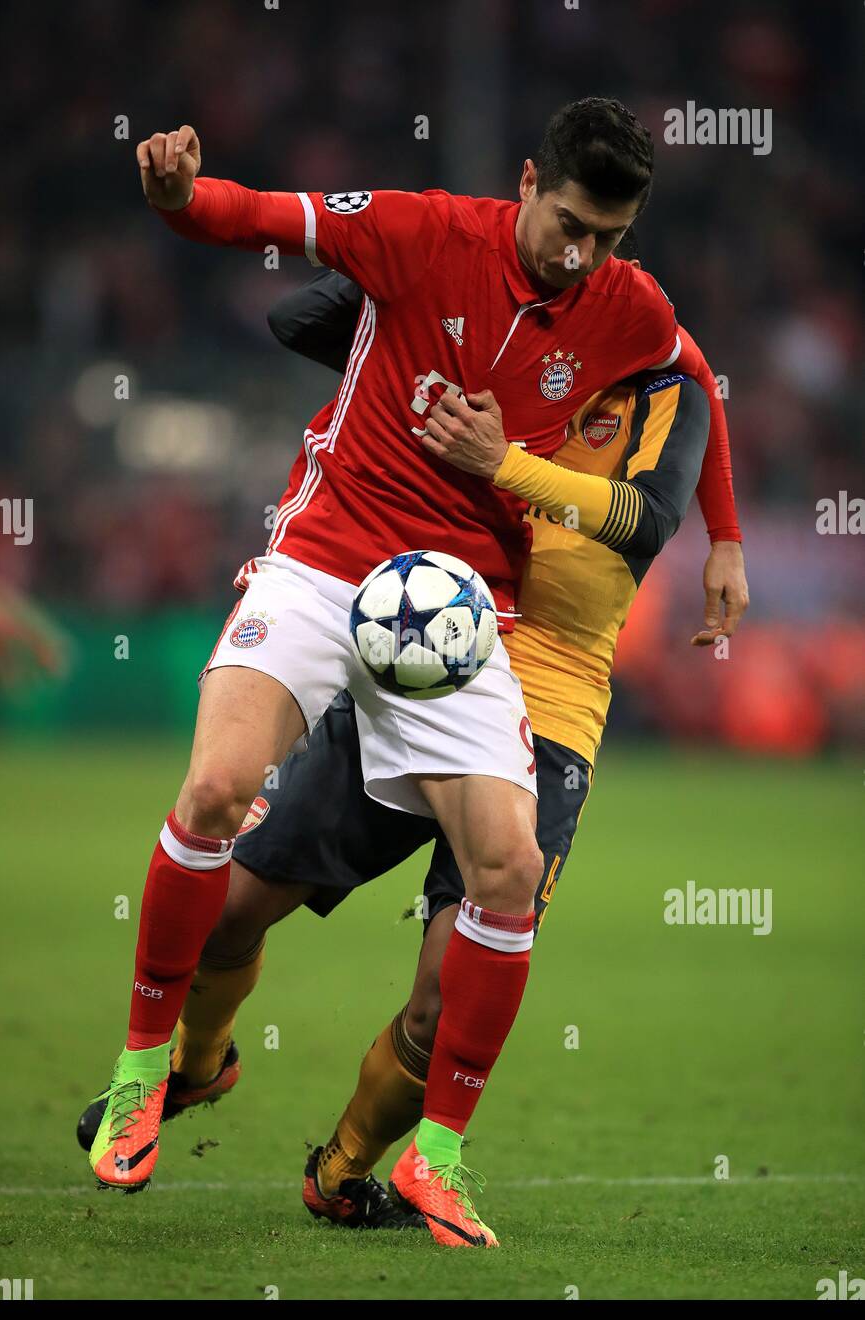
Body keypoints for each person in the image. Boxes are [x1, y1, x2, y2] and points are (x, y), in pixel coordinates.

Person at [82, 215, 748, 1240]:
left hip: (551, 706)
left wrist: (515, 465)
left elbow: (648, 521)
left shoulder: (663, 389)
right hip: (418, 664)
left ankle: (345, 1166)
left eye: (600, 270)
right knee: (229, 912)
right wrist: (439, 287)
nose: (575, 293)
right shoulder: (495, 349)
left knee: (443, 996)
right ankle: (200, 1061)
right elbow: (293, 312)